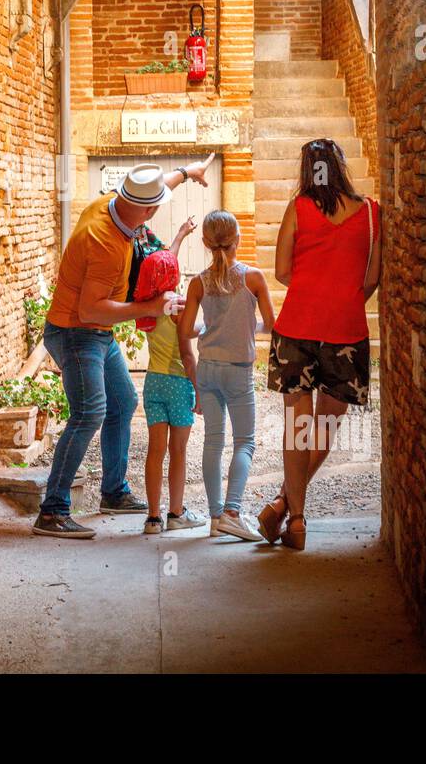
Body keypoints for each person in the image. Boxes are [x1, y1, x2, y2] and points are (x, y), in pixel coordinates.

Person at [34, 156, 214, 539]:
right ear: (146, 210)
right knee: (90, 411)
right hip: (75, 330)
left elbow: (151, 186)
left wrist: (186, 173)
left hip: (97, 332)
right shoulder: (105, 242)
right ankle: (52, 511)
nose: (154, 212)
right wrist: (150, 307)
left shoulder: (115, 202)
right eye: (154, 207)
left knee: (122, 403)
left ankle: (113, 492)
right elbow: (90, 307)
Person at [258, 138, 381, 550]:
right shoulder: (370, 214)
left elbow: (280, 270)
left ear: (306, 170)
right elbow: (371, 278)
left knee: (297, 428)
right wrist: (341, 298)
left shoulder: (298, 208)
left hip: (296, 329)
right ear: (341, 167)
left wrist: (313, 289)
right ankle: (284, 509)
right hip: (347, 332)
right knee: (325, 429)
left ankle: (293, 516)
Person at [177, 210, 276, 541]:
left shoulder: (197, 283)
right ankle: (233, 512)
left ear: (205, 243)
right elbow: (271, 326)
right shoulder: (254, 278)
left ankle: (216, 516)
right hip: (238, 372)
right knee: (244, 442)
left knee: (213, 442)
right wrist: (249, 328)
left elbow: (186, 330)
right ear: (239, 239)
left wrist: (206, 333)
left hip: (207, 369)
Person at [137, 218, 208, 535]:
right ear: (175, 275)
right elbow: (189, 347)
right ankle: (176, 513)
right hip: (179, 384)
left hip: (153, 382)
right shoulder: (180, 306)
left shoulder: (147, 306)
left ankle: (153, 518)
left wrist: (179, 234)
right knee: (178, 452)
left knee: (156, 452)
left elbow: (164, 263)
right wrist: (199, 388)